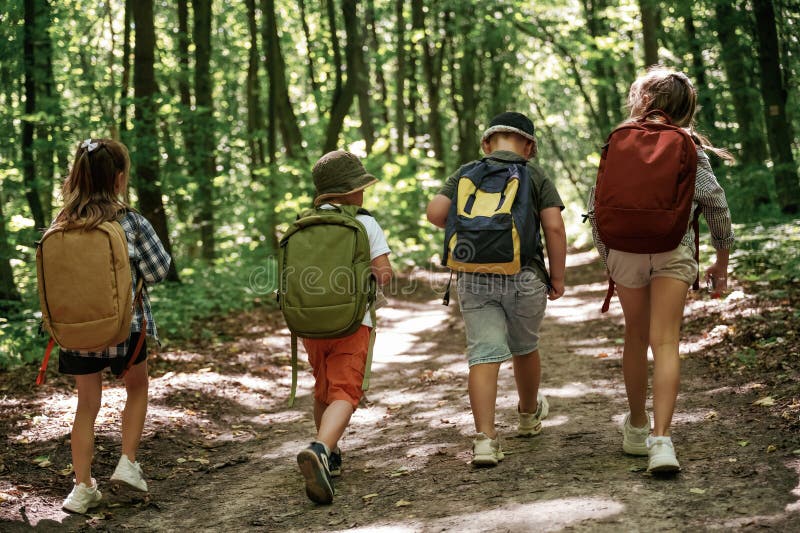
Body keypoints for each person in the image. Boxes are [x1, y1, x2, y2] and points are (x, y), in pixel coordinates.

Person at [592, 68, 734, 473]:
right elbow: (715, 204)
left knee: (635, 338)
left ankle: (636, 428)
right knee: (666, 342)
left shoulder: (618, 141)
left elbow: (597, 207)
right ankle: (662, 442)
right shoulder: (690, 145)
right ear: (687, 109)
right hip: (674, 249)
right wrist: (720, 264)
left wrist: (611, 259)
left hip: (625, 253)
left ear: (641, 102)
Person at [427, 112, 567, 466]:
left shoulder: (465, 173)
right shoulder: (535, 175)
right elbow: (553, 227)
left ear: (486, 144)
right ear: (529, 147)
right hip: (525, 275)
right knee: (524, 347)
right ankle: (527, 414)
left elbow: (435, 213)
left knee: (484, 355)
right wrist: (559, 278)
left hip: (474, 275)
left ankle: (485, 439)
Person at [55, 138, 171, 513]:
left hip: (76, 330)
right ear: (119, 179)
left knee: (86, 404)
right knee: (137, 387)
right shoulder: (131, 221)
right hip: (126, 326)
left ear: (77, 176)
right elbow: (157, 271)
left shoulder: (60, 224)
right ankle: (127, 463)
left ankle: (82, 488)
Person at [296, 150, 393, 504]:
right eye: (360, 186)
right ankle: (321, 448)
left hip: (309, 323)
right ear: (349, 192)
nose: (364, 193)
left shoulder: (303, 223)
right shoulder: (365, 223)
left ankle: (332, 454)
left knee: (323, 388)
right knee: (345, 392)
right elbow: (383, 274)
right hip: (352, 321)